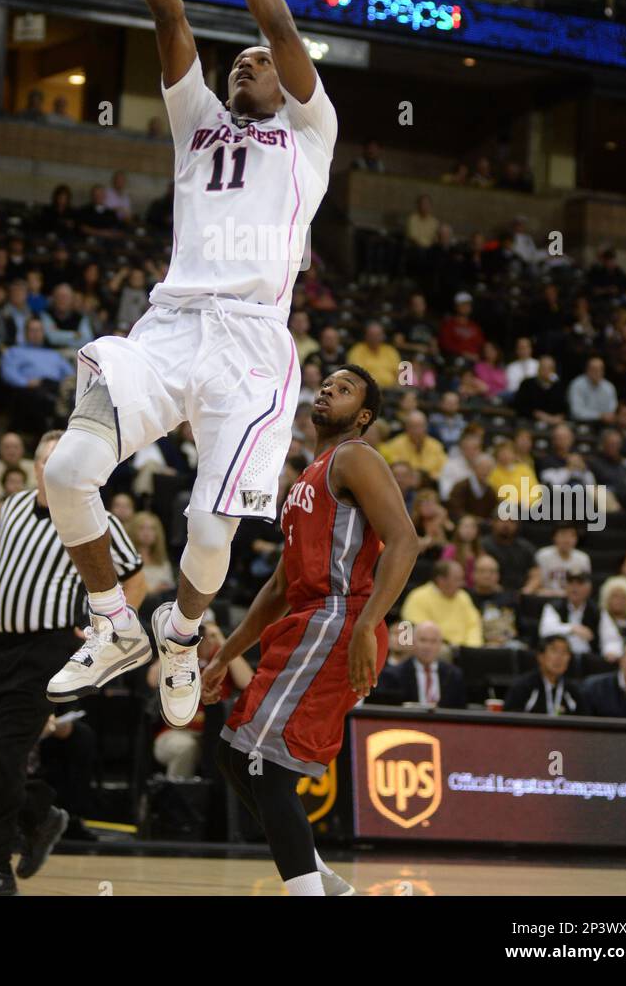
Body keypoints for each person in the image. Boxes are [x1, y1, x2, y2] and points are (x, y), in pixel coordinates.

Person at [43, 0, 340, 727]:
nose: (244, 62)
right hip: (170, 326)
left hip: (252, 348)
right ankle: (112, 623)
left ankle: (180, 633)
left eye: (254, 62)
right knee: (67, 471)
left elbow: (281, 25)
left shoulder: (310, 133)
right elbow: (168, 14)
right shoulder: (198, 124)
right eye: (238, 60)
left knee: (208, 536)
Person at [201, 364, 417, 896]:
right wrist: (224, 655)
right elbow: (278, 587)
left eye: (344, 389)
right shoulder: (308, 474)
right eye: (326, 383)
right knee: (235, 754)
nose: (327, 390)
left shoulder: (355, 456)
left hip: (340, 619)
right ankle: (324, 881)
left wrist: (369, 624)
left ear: (363, 416)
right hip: (310, 620)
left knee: (261, 765)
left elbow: (405, 542)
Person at [0, 430, 147, 895]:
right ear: (37, 467)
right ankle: (40, 812)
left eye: (65, 464)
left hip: (45, 654)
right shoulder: (13, 505)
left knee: (5, 757)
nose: (56, 472)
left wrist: (108, 628)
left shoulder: (92, 516)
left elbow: (134, 579)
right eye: (48, 463)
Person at [149, 614, 252, 779]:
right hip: (178, 733)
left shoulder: (222, 657)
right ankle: (179, 800)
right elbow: (153, 679)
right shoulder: (178, 653)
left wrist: (224, 642)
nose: (201, 636)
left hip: (215, 734)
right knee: (185, 747)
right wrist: (177, 642)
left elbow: (247, 682)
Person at [373, 620, 467, 707]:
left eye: (433, 641)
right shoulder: (393, 675)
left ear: (440, 645)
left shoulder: (454, 675)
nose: (428, 646)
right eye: (423, 640)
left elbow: (460, 711)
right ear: (413, 642)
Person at [402, 559, 484, 648]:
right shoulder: (418, 596)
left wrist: (472, 646)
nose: (462, 584)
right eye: (457, 579)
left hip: (464, 649)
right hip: (435, 648)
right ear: (441, 580)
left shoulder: (463, 596)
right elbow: (419, 629)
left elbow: (474, 625)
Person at [503, 635, 584, 714]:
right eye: (554, 651)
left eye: (564, 652)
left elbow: (584, 721)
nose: (559, 657)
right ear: (540, 656)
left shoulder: (573, 690)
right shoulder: (523, 686)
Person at [540, 571, 600, 655]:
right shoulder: (553, 606)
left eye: (579, 583)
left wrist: (611, 650)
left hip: (587, 657)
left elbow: (610, 638)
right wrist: (572, 629)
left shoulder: (597, 610)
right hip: (560, 656)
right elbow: (545, 630)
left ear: (589, 588)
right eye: (570, 583)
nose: (574, 588)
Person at [467, 553, 520, 646]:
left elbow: (519, 627)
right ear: (473, 574)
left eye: (492, 572)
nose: (487, 575)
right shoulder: (465, 598)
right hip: (476, 644)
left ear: (498, 575)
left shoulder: (510, 598)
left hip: (506, 643)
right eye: (482, 571)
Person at [379, 409, 447, 481]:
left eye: (420, 426)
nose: (417, 431)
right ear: (407, 428)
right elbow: (394, 469)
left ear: (426, 427)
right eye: (413, 427)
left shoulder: (436, 445)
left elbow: (444, 468)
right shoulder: (394, 445)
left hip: (430, 484)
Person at [482, 515, 537, 592]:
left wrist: (527, 589)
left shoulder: (526, 547)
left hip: (521, 593)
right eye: (502, 520)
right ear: (493, 522)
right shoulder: (483, 545)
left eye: (511, 521)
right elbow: (480, 572)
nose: (506, 524)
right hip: (492, 592)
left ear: (517, 525)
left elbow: (535, 573)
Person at [535, 524, 591, 596]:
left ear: (577, 539)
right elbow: (537, 585)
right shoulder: (543, 555)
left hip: (571, 600)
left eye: (572, 535)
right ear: (554, 537)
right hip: (547, 597)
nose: (567, 540)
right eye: (563, 535)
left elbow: (586, 586)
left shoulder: (583, 558)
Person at [347, 320, 401, 390]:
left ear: (383, 336)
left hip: (390, 390)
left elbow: (400, 374)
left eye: (378, 335)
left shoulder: (390, 351)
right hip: (367, 390)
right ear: (366, 336)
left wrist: (397, 387)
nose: (375, 338)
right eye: (372, 335)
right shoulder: (357, 350)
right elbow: (355, 375)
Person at [514, 354, 565, 424]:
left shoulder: (558, 387)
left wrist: (558, 417)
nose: (546, 371)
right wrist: (538, 414)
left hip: (554, 424)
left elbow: (564, 409)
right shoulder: (527, 384)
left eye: (549, 368)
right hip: (529, 422)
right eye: (543, 367)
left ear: (554, 370)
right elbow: (520, 406)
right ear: (538, 368)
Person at [567, 355, 618, 424]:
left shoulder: (609, 387)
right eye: (594, 369)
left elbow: (612, 409)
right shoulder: (577, 384)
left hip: (604, 423)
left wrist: (605, 416)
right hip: (581, 423)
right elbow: (576, 412)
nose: (597, 372)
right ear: (587, 370)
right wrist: (599, 416)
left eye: (600, 369)